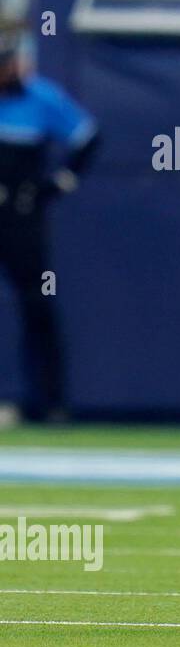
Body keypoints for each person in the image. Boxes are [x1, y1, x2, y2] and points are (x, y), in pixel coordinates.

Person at [0, 27, 98, 422]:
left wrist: (59, 184)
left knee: (37, 303)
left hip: (22, 218)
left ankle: (48, 402)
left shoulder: (42, 98)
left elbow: (88, 137)